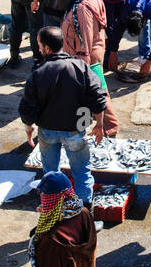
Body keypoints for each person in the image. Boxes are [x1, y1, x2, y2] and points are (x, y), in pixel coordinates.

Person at [19, 27, 109, 204]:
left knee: (51, 175)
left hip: (47, 132)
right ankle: (84, 216)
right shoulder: (80, 67)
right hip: (76, 129)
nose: (38, 50)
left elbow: (27, 107)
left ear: (46, 48)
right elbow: (99, 97)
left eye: (39, 46)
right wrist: (99, 124)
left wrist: (28, 127)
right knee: (82, 173)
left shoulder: (38, 73)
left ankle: (54, 212)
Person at [60, 0, 118, 136]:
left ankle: (109, 126)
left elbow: (85, 38)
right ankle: (87, 124)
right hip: (93, 53)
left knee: (92, 94)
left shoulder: (83, 7)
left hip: (85, 58)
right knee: (96, 91)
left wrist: (82, 67)